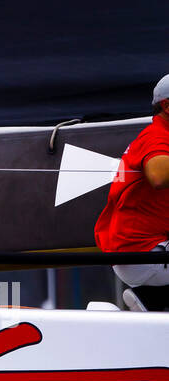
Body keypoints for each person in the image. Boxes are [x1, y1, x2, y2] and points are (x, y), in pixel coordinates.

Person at [95, 74, 169, 311]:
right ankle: (153, 299)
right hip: (145, 254)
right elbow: (159, 176)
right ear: (167, 106)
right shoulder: (156, 137)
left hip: (138, 252)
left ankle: (153, 301)